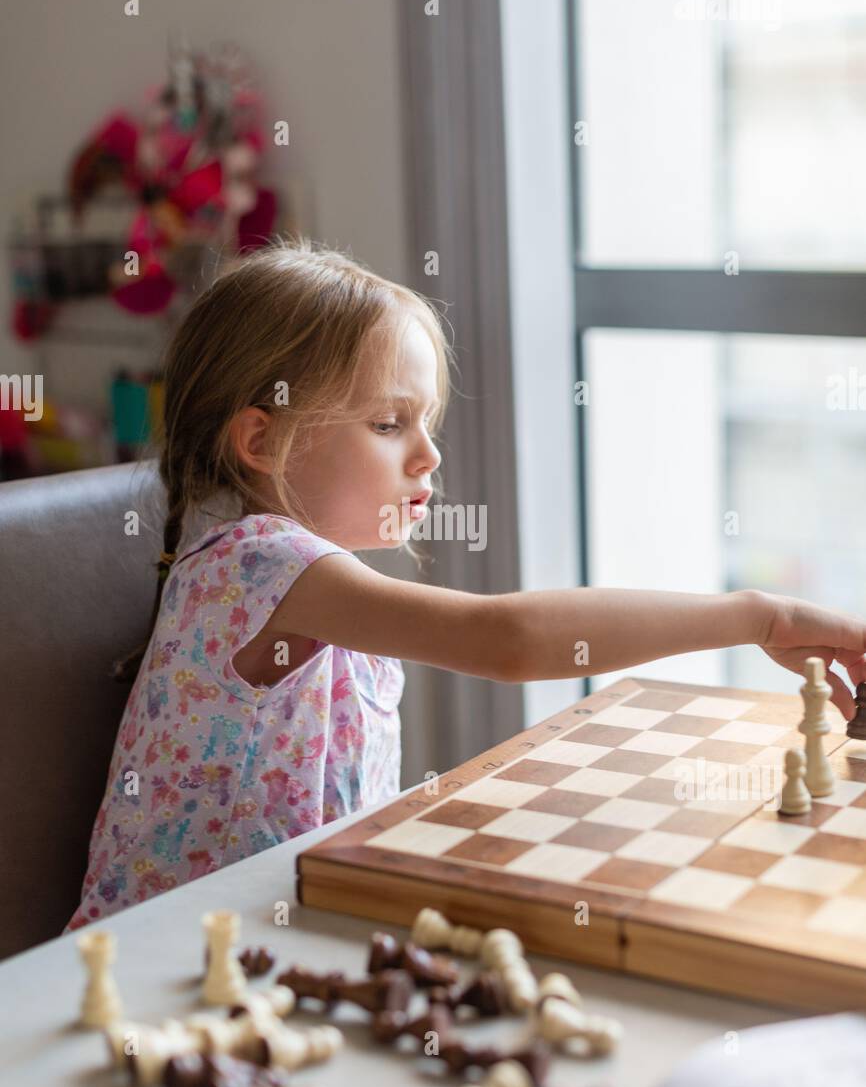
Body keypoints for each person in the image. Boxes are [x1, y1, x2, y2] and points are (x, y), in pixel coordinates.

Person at [63, 239, 866, 930]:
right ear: (262, 441)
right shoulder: (255, 564)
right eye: (388, 424)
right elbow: (505, 638)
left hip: (275, 925)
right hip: (165, 963)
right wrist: (758, 616)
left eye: (428, 425)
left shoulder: (303, 579)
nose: (428, 457)